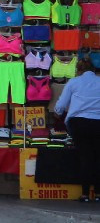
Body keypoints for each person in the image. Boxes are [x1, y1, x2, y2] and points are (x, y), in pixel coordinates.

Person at [53, 56, 100, 202]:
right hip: (98, 123)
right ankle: (98, 194)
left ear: (78, 70)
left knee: (85, 157)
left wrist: (57, 113)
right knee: (98, 157)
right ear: (93, 69)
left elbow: (61, 105)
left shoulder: (74, 82)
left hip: (78, 124)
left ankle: (85, 194)